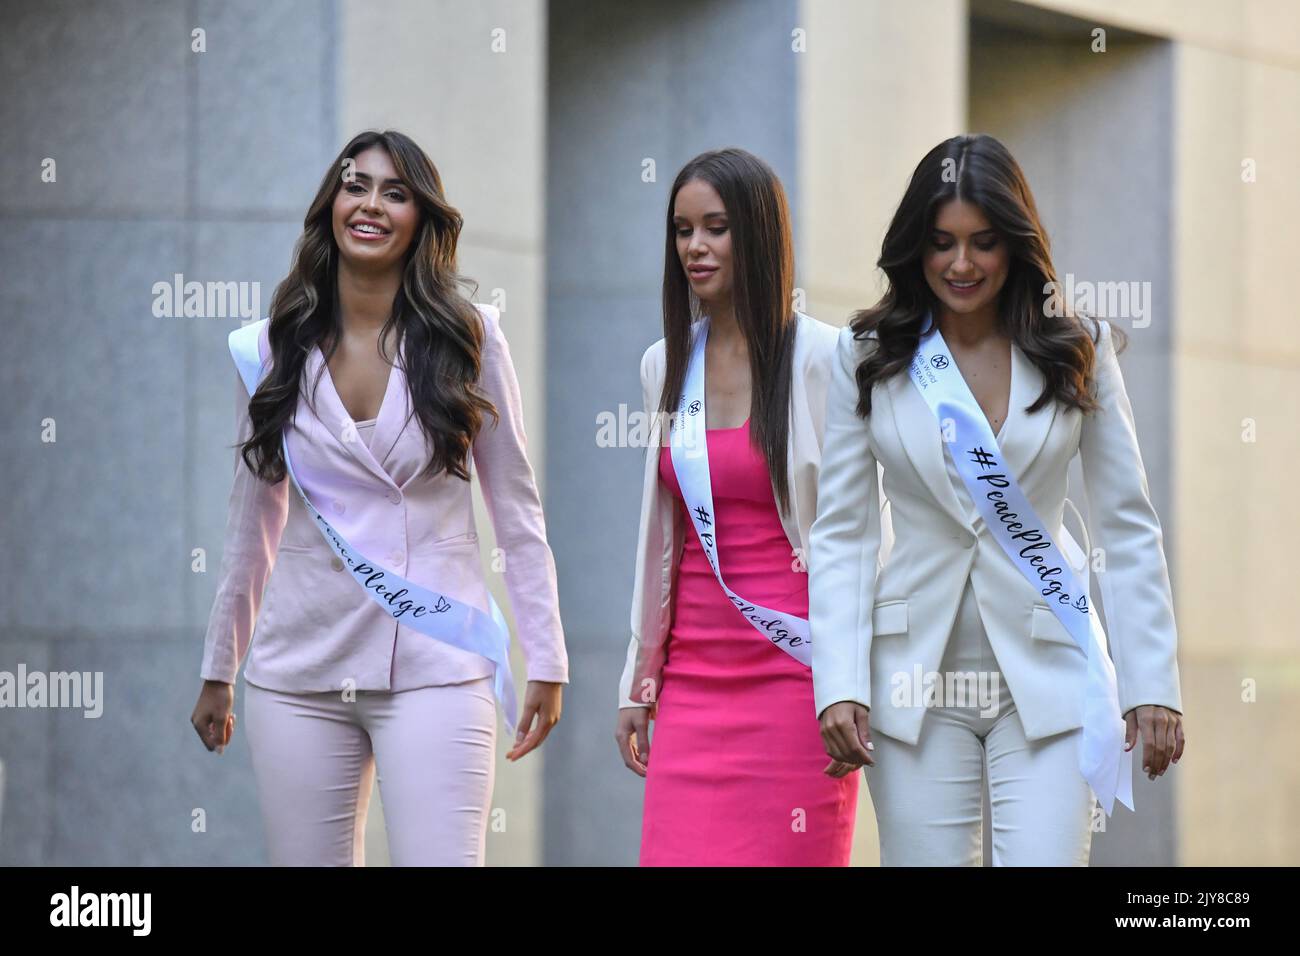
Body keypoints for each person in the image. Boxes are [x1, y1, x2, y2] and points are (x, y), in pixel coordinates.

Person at [189, 129, 568, 866]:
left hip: (435, 661)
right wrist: (218, 667)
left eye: (395, 192)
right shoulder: (267, 349)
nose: (370, 204)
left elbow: (517, 513)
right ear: (331, 202)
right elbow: (250, 525)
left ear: (422, 218)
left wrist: (545, 657)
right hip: (301, 667)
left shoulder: (471, 338)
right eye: (355, 184)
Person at [810, 133, 1185, 866]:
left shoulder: (1076, 347)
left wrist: (1153, 681)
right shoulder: (868, 356)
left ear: (1016, 244)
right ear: (916, 247)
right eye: (942, 242)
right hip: (913, 683)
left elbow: (1128, 523)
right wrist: (839, 680)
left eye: (983, 242)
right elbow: (842, 533)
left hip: (1048, 677)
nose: (961, 263)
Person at [615, 147, 857, 866]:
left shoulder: (826, 358)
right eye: (683, 230)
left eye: (715, 228)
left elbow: (854, 532)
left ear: (756, 233)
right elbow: (661, 539)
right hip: (690, 686)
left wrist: (849, 681)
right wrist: (640, 676)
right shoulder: (664, 362)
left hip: (796, 681)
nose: (695, 246)